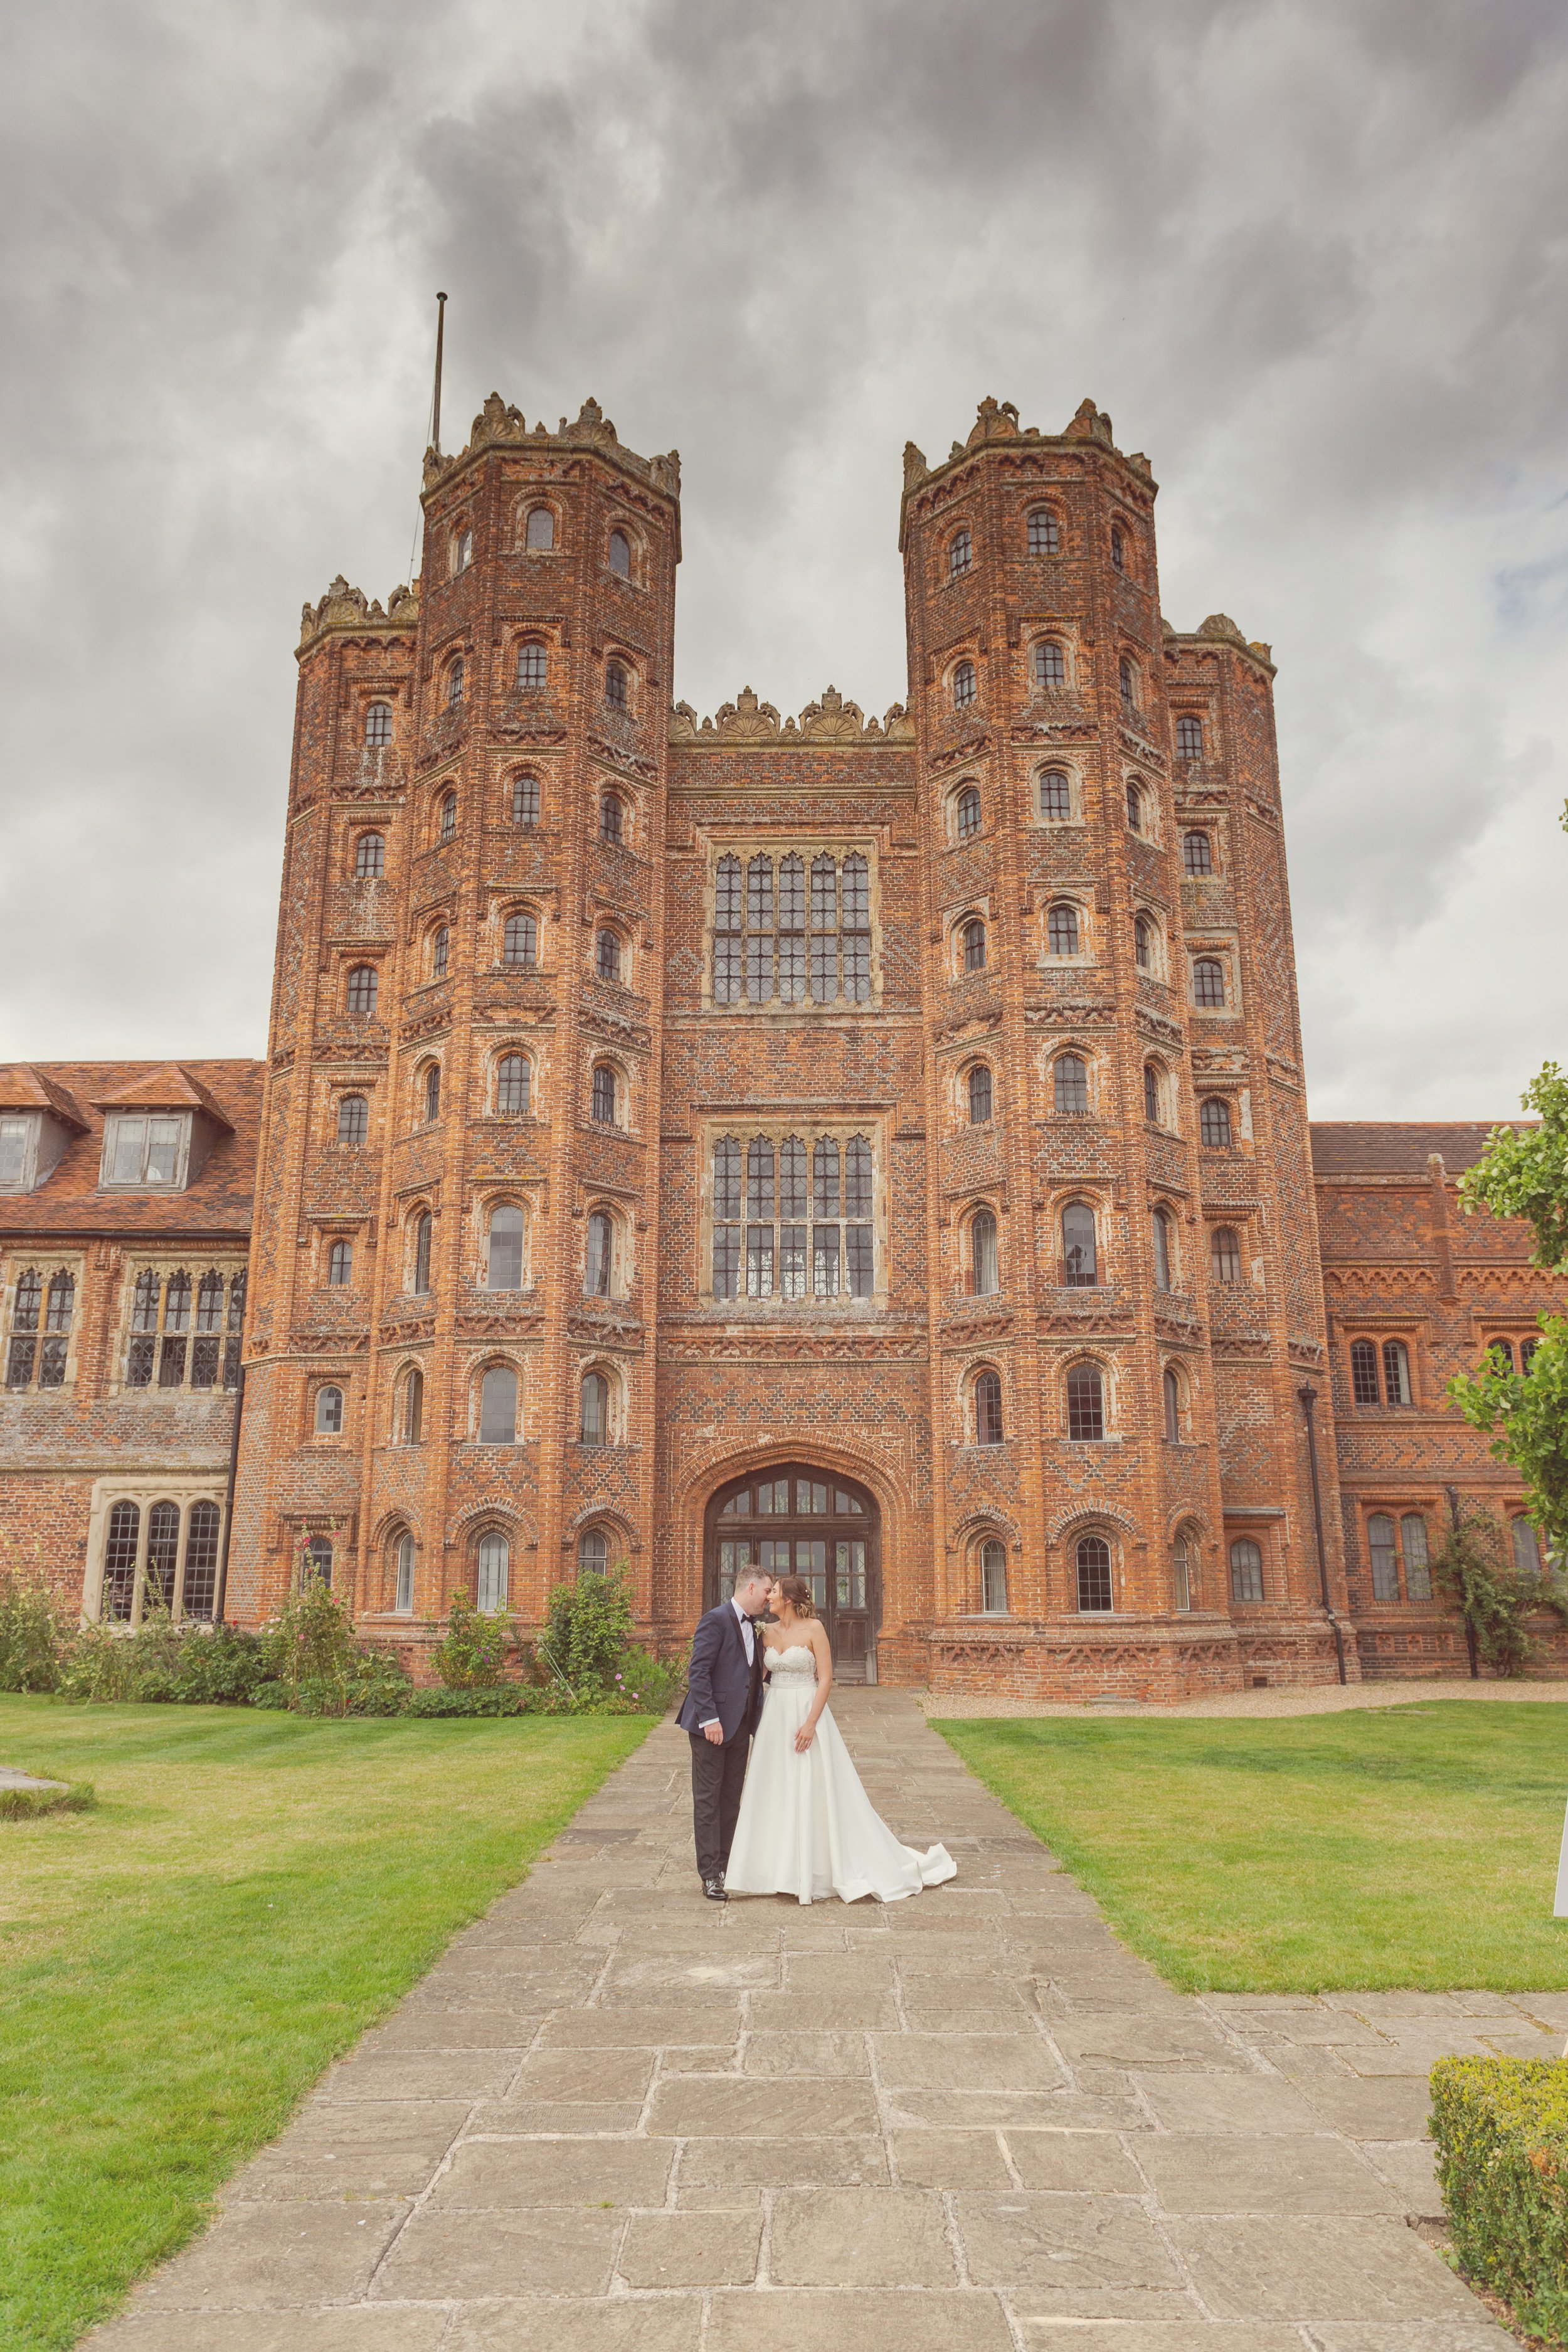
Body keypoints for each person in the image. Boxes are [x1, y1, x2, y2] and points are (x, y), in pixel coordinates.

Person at [724, 1574, 957, 1904]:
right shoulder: (766, 1632)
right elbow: (757, 1676)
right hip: (775, 1717)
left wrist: (810, 1723)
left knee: (813, 1786)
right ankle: (775, 1869)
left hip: (807, 1710)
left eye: (773, 1592)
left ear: (788, 1599)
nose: (768, 1597)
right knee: (775, 1786)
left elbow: (826, 1678)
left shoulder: (814, 1629)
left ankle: (816, 1869)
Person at [675, 1565, 773, 1900]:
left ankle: (727, 1865)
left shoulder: (758, 1627)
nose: (769, 1598)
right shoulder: (715, 1619)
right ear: (750, 1587)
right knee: (708, 1801)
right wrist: (709, 1719)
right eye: (766, 1591)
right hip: (712, 1727)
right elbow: (698, 1672)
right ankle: (709, 1875)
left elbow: (751, 1674)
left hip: (741, 1726)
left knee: (731, 1799)